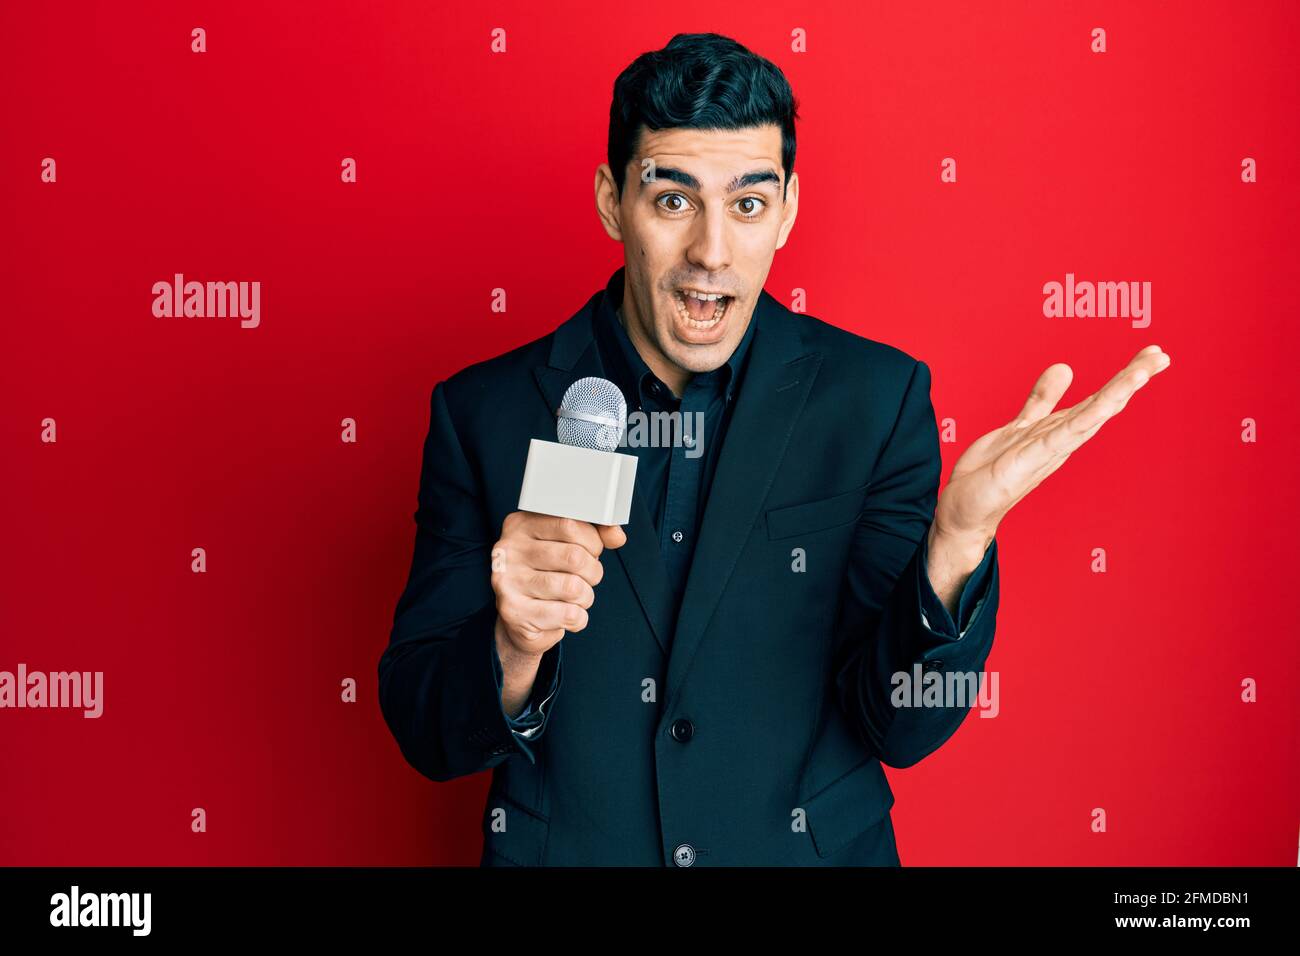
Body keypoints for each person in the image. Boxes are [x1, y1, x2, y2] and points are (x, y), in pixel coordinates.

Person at [377, 32, 1170, 866]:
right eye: (674, 200)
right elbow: (428, 736)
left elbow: (896, 725)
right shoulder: (485, 413)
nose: (712, 251)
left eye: (748, 204)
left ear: (787, 210)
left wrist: (956, 548)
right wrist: (512, 647)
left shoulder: (875, 401)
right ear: (614, 201)